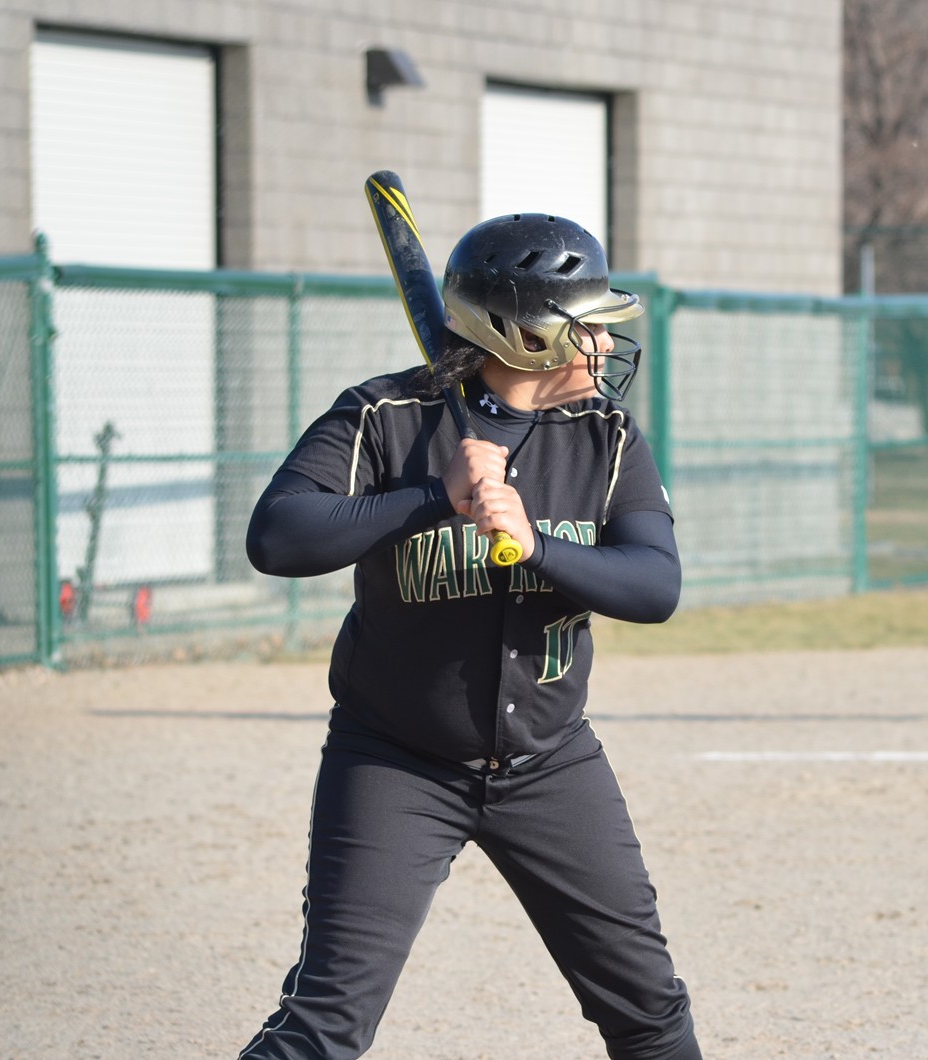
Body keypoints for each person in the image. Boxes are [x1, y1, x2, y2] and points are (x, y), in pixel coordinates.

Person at [238, 212, 701, 1059]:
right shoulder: (386, 416)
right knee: (324, 1024)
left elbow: (655, 585)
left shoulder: (606, 438)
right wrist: (430, 497)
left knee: (649, 1010)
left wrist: (538, 546)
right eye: (584, 324)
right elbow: (277, 536)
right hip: (395, 760)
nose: (602, 343)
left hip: (551, 763)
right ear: (523, 336)